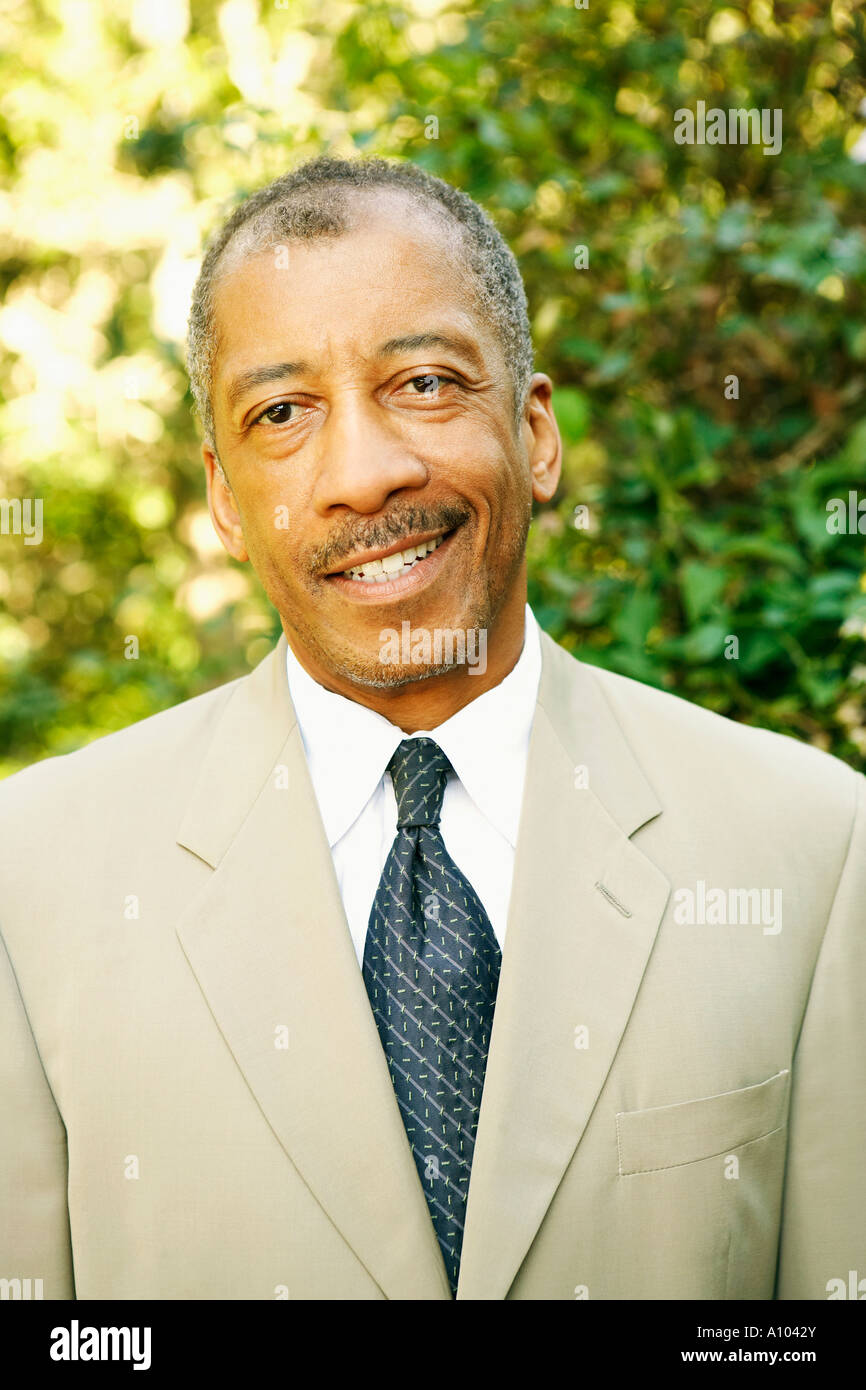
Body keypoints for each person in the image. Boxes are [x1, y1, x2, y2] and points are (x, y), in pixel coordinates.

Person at [0, 155, 863, 1301]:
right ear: (221, 496)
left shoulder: (811, 846)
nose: (362, 473)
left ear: (535, 432)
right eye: (282, 413)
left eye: (423, 383)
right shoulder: (34, 875)